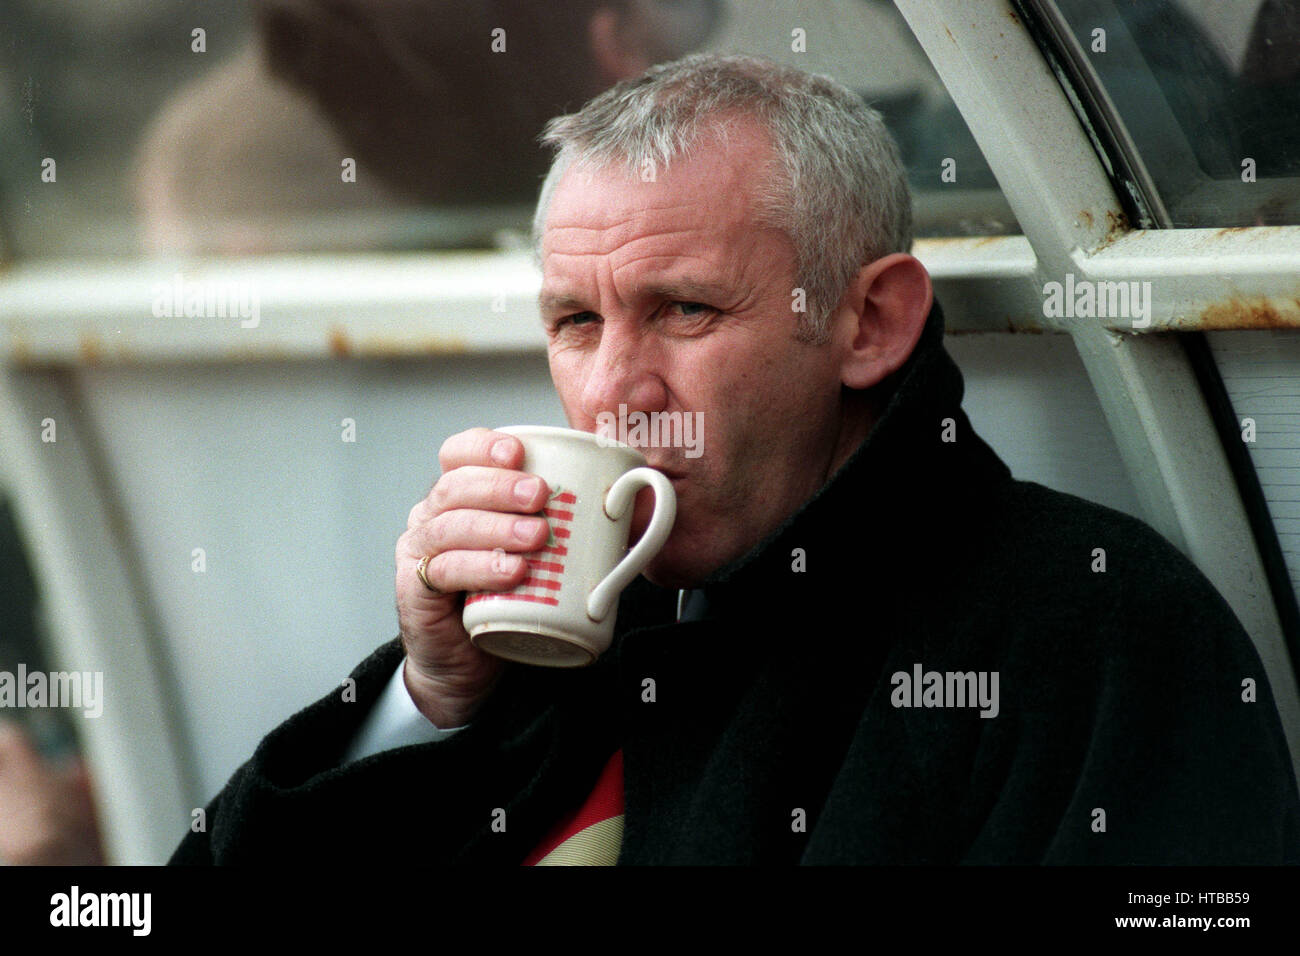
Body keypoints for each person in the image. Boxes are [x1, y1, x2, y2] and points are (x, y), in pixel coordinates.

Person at [171, 53, 1300, 865]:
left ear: (869, 325)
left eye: (685, 309)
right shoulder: (530, 646)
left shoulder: (1081, 625)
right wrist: (428, 702)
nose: (615, 388)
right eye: (574, 321)